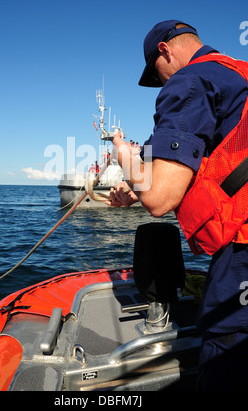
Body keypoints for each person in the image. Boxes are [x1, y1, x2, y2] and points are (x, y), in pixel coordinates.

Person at [106, 20, 248, 391]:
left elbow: (160, 198)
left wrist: (124, 155)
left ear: (166, 51)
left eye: (159, 75)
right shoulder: (238, 78)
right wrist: (136, 187)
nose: (164, 84)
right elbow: (226, 164)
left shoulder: (190, 81)